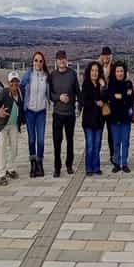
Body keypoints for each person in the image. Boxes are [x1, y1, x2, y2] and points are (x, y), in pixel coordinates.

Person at [49, 50, 80, 178]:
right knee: (57, 142)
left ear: (66, 60)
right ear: (56, 61)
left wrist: (78, 104)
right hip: (57, 113)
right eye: (59, 59)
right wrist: (59, 97)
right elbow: (50, 94)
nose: (62, 61)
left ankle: (69, 165)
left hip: (69, 114)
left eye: (63, 58)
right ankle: (57, 167)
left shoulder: (72, 74)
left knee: (70, 140)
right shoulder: (52, 75)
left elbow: (77, 91)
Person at [20, 51, 49, 178]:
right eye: (36, 60)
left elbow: (50, 92)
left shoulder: (46, 76)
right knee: (32, 139)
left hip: (41, 112)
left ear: (43, 63)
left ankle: (39, 162)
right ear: (32, 62)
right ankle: (32, 163)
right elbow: (20, 87)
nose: (38, 63)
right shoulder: (28, 74)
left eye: (40, 61)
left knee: (41, 140)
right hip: (30, 112)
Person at [0, 71, 24, 186]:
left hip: (13, 125)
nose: (14, 84)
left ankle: (10, 168)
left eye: (16, 81)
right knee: (1, 147)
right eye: (12, 82)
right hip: (2, 125)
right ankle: (2, 174)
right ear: (8, 83)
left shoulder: (20, 93)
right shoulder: (3, 93)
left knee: (15, 147)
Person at [107, 61, 134, 173]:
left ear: (124, 72)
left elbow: (130, 100)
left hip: (125, 118)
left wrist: (120, 97)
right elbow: (111, 99)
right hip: (114, 118)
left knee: (126, 141)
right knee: (116, 142)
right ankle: (117, 163)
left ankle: (124, 163)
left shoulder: (128, 84)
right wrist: (121, 97)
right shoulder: (111, 84)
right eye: (117, 71)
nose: (119, 73)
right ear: (114, 72)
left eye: (121, 71)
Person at [81, 61, 105, 176]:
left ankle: (96, 167)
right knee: (90, 145)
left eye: (97, 70)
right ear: (89, 72)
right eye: (93, 70)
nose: (95, 73)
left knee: (97, 145)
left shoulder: (101, 85)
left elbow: (105, 98)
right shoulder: (86, 84)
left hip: (99, 120)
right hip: (88, 121)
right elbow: (84, 101)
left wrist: (103, 87)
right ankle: (89, 168)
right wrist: (96, 103)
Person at [98, 46, 117, 166]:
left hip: (110, 106)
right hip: (100, 106)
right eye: (104, 55)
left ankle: (113, 156)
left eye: (108, 55)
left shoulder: (114, 69)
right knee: (98, 132)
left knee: (111, 133)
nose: (106, 57)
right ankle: (96, 155)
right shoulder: (97, 69)